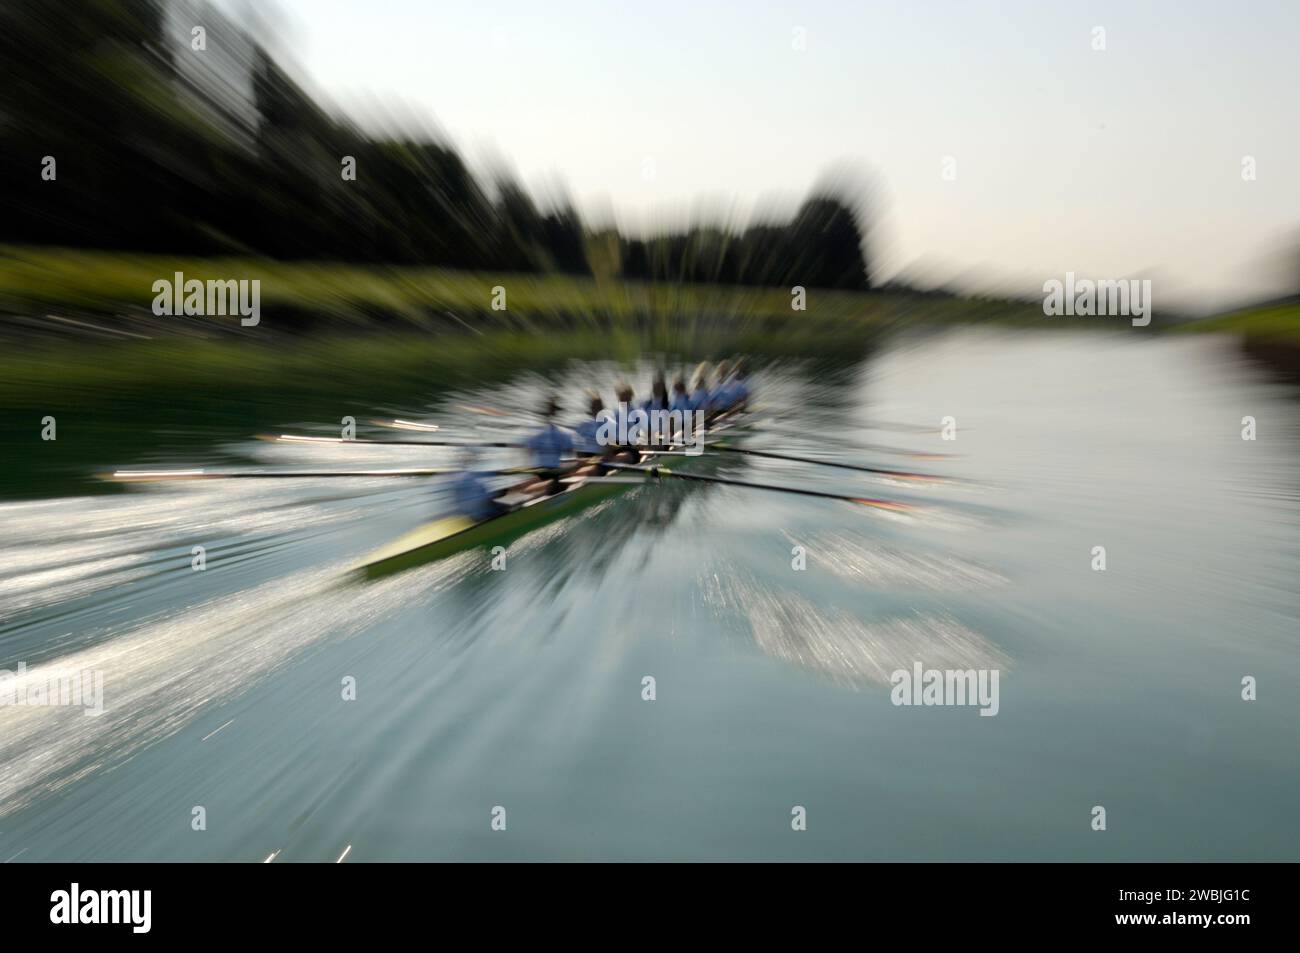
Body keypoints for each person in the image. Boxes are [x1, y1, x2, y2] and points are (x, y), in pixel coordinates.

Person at [447, 449, 503, 521]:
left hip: (468, 513)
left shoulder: (460, 477)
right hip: (481, 514)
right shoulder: (473, 477)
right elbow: (489, 496)